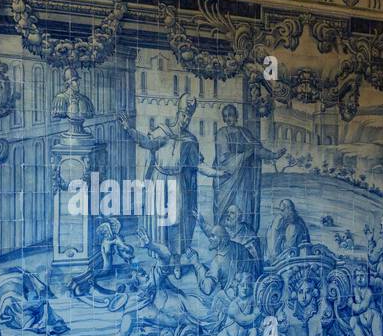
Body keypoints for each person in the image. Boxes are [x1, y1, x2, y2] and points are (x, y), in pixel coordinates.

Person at [120, 93, 223, 264]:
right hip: (159, 180)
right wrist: (128, 129)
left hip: (177, 182)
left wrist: (217, 173)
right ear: (178, 113)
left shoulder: (189, 140)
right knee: (160, 221)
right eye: (183, 115)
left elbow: (197, 165)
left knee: (177, 221)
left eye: (188, 117)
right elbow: (146, 141)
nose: (185, 120)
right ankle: (163, 261)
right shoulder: (163, 132)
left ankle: (176, 261)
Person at [212, 104, 284, 239]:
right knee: (225, 211)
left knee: (243, 208)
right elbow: (224, 159)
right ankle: (223, 238)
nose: (228, 119)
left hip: (244, 180)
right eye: (225, 116)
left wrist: (273, 155)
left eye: (231, 115)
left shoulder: (244, 133)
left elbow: (256, 149)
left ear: (236, 116)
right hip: (227, 181)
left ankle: (244, 238)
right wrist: (245, 155)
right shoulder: (221, 133)